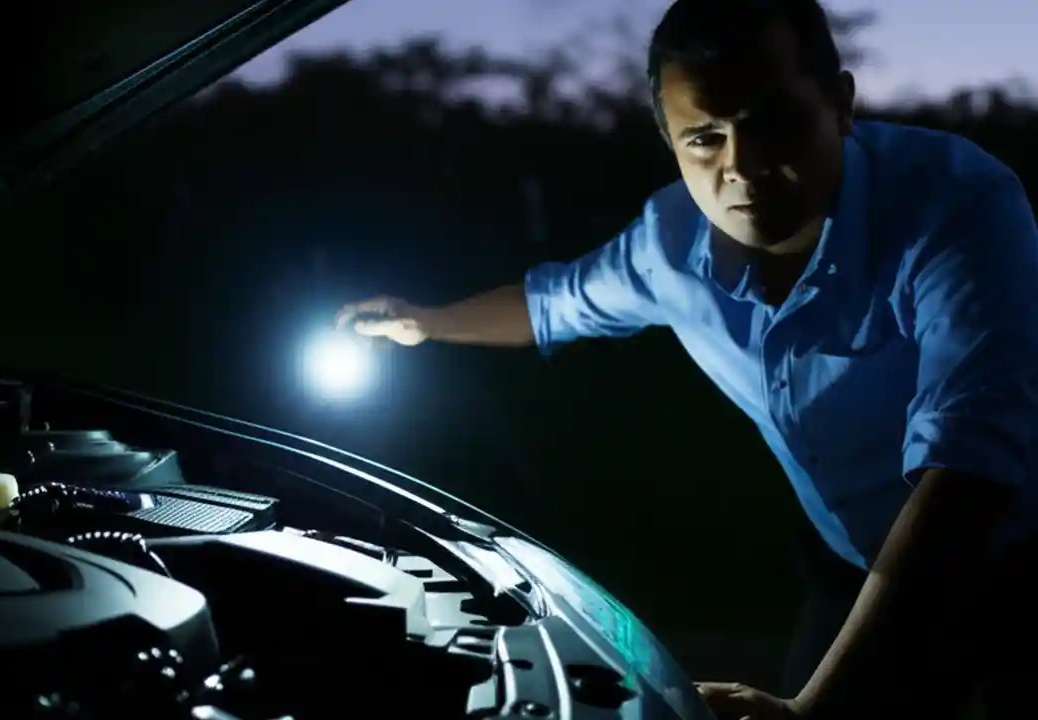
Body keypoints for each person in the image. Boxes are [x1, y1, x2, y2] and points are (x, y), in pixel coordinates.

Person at [336, 0, 1038, 718]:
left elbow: (967, 472)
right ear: (670, 141)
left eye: (774, 121)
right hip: (853, 566)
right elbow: (555, 303)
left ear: (841, 103)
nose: (744, 166)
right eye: (705, 136)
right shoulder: (669, 245)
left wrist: (813, 709)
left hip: (1019, 564)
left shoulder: (957, 205)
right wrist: (424, 323)